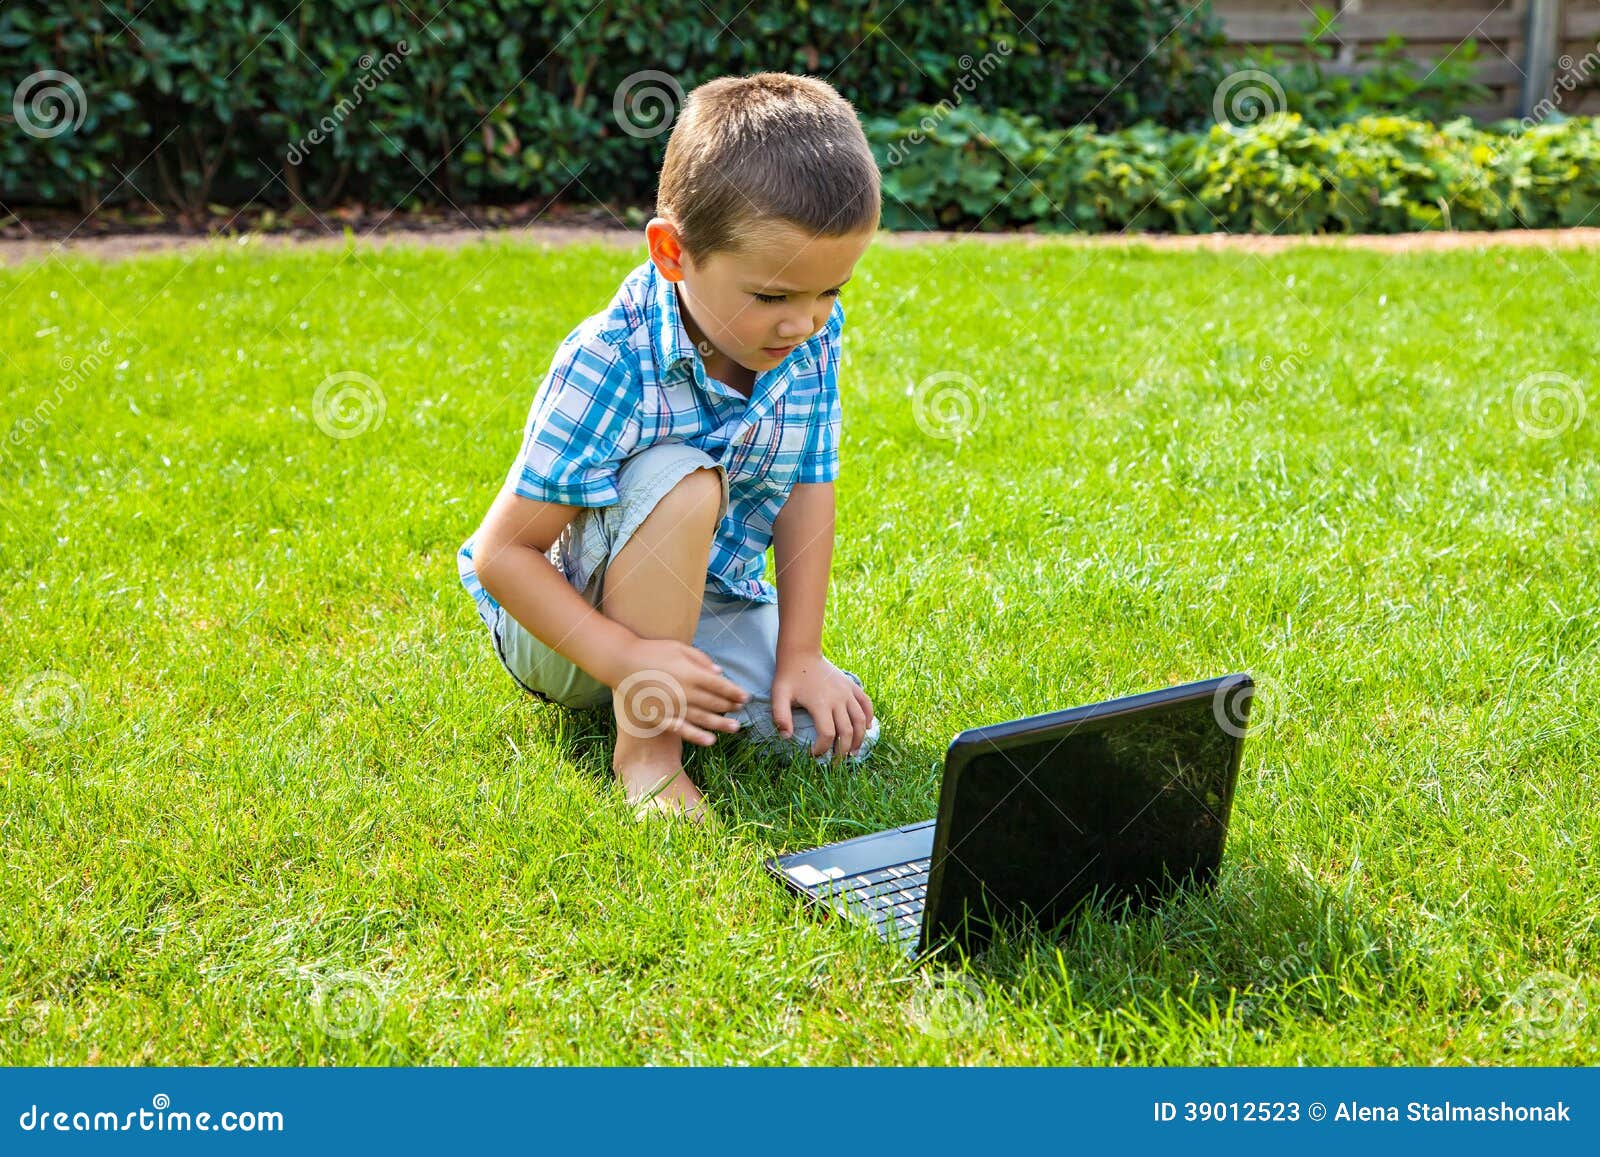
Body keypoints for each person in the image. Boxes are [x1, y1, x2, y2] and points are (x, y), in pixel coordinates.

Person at [458, 73, 882, 820]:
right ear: (672, 253)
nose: (805, 324)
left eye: (831, 293)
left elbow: (808, 486)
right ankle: (647, 756)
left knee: (835, 732)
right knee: (684, 477)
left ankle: (694, 669)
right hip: (562, 628)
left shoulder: (809, 339)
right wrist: (626, 659)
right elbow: (503, 556)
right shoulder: (610, 359)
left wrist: (801, 656)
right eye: (775, 296)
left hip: (706, 595)